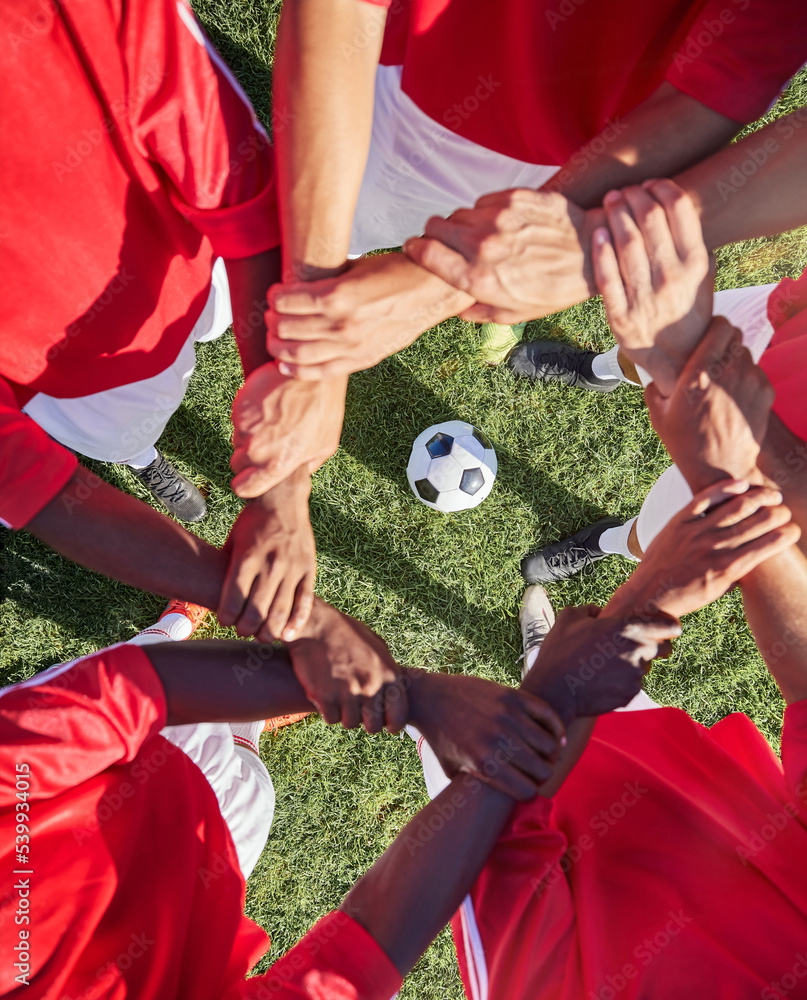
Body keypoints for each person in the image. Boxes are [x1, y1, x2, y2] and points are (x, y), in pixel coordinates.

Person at [1, 457, 792, 994]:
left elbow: (124, 695)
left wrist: (406, 694)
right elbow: (362, 947)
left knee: (194, 727)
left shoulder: (15, 825)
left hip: (97, 780)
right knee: (242, 783)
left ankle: (189, 633)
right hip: (210, 860)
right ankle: (261, 718)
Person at [227, 0, 807, 501]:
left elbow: (725, 74)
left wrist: (449, 285)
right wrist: (316, 355)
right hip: (412, 86)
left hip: (593, 149)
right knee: (247, 262)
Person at [413, 324, 807, 1000]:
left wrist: (596, 649)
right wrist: (726, 482)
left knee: (442, 716)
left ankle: (539, 652)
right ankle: (555, 637)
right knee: (616, 693)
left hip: (509, 783)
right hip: (664, 754)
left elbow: (476, 844)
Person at [0, 0, 324, 644]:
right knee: (128, 432)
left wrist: (281, 485)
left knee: (222, 316)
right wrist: (233, 580)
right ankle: (144, 456)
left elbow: (244, 188)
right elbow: (21, 473)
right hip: (80, 378)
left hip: (197, 261)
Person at [518, 121, 807, 581]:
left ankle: (607, 541)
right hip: (786, 319)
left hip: (764, 481)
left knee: (655, 537)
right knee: (648, 343)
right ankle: (600, 370)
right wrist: (640, 230)